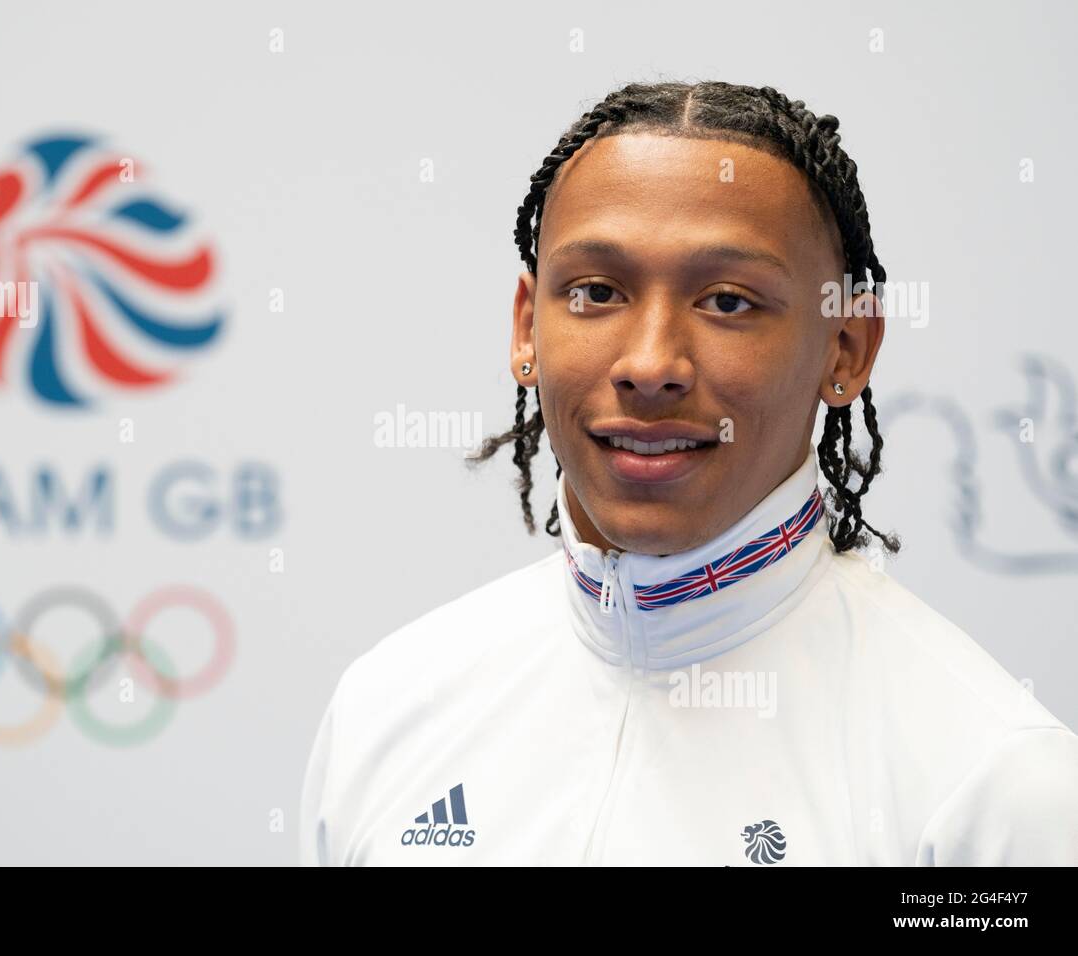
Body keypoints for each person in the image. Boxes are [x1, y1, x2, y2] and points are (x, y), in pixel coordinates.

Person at [298, 80, 1078, 865]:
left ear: (846, 349)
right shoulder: (388, 708)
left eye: (729, 302)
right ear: (527, 326)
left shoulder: (988, 780)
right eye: (597, 292)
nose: (649, 365)